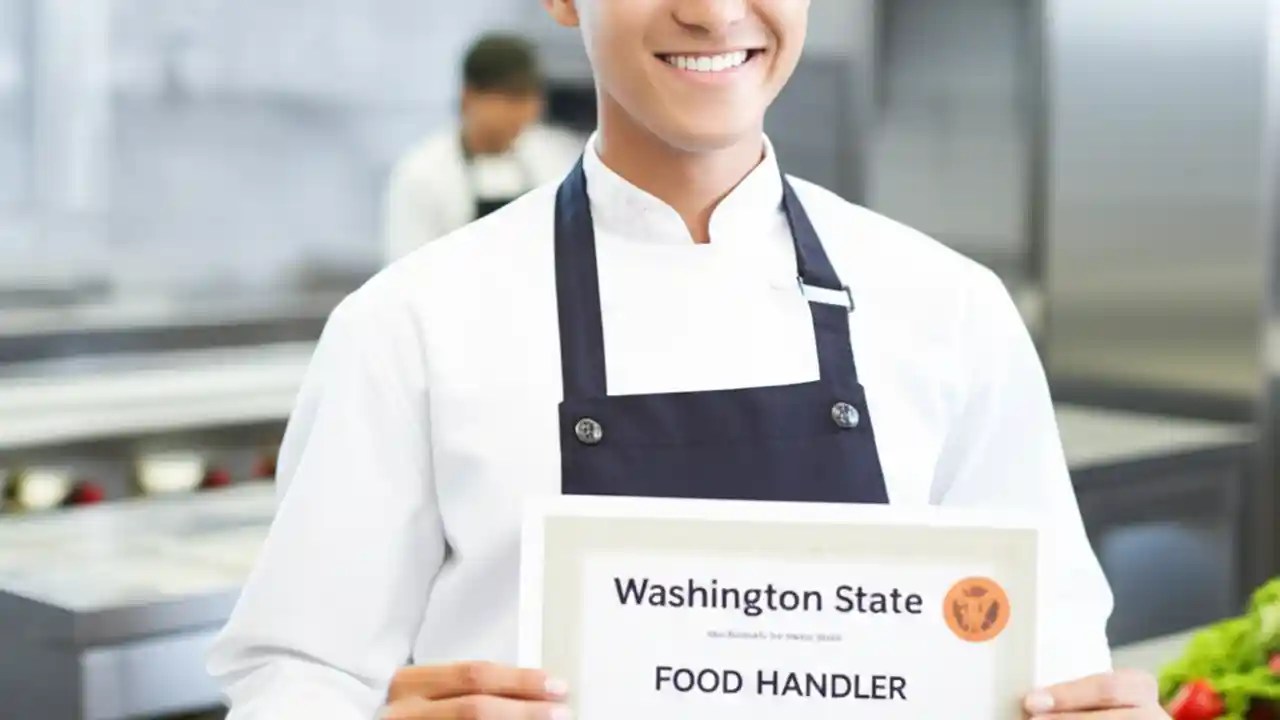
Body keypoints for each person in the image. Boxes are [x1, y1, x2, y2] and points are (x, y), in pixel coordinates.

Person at [209, 1, 1169, 719]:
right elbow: (296, 673)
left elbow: (1045, 647)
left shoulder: (950, 307)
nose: (711, 10)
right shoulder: (409, 325)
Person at [381, 32, 581, 263]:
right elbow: (405, 273)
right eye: (508, 100)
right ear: (469, 97)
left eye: (528, 99)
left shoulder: (556, 159)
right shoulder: (424, 174)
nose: (521, 113)